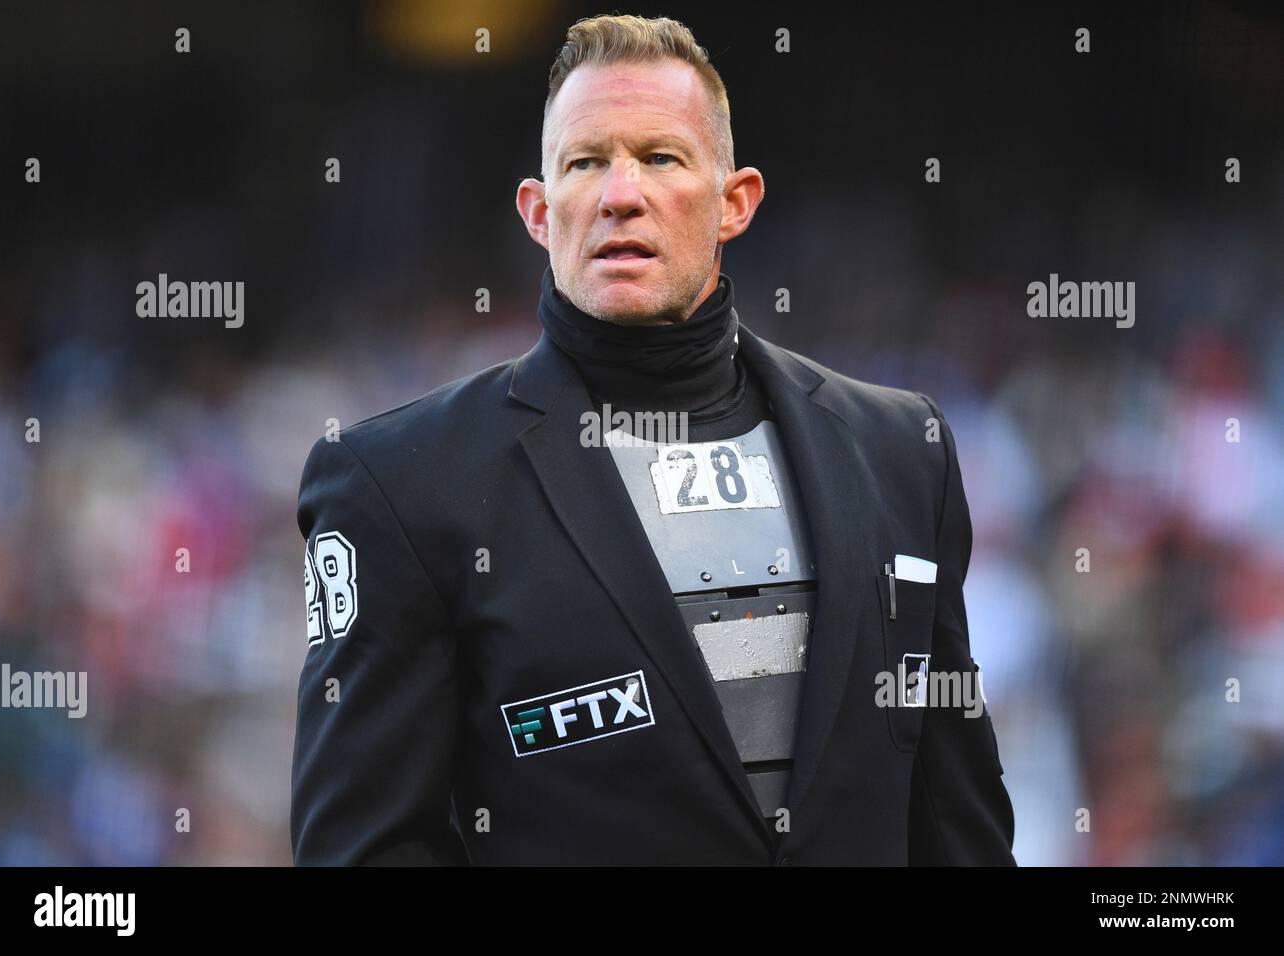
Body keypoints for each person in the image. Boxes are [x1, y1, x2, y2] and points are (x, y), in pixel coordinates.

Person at [291, 13, 1015, 866]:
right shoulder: (400, 484)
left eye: (661, 158)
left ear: (735, 201)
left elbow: (959, 824)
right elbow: (366, 851)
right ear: (538, 210)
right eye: (585, 162)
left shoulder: (904, 451)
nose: (619, 193)